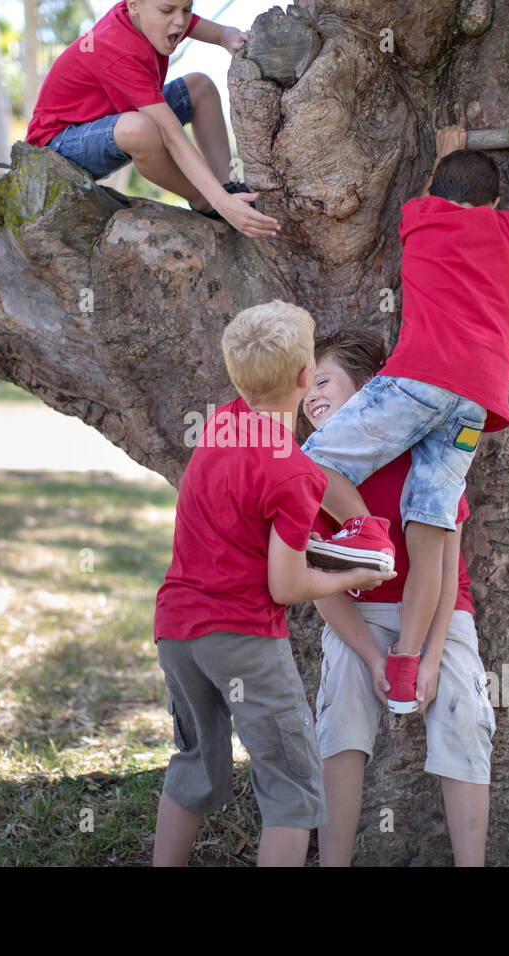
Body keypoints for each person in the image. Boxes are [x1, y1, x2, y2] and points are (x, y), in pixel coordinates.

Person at [301, 119, 509, 714]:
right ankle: (406, 664)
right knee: (430, 524)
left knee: (309, 463)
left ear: (436, 189)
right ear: (497, 201)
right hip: (475, 401)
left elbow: (439, 192)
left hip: (420, 380)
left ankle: (363, 534)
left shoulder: (419, 217)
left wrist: (445, 152)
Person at [152, 301, 394, 867]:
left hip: (176, 631)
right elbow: (285, 586)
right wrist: (359, 570)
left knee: (196, 762)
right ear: (306, 377)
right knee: (292, 789)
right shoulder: (292, 470)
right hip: (243, 638)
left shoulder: (223, 421)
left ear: (237, 378)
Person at [301, 329, 494, 866]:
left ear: (369, 390)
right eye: (304, 391)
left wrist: (426, 658)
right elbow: (317, 582)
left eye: (323, 381)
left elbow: (446, 567)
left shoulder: (424, 452)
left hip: (438, 615)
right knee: (339, 717)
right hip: (357, 615)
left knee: (465, 719)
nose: (310, 397)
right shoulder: (311, 471)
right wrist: (371, 655)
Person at [25, 0, 279, 239]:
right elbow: (172, 137)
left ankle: (231, 190)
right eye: (168, 10)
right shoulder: (117, 49)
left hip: (108, 121)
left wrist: (228, 36)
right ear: (134, 5)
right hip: (58, 144)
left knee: (199, 87)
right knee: (141, 129)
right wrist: (219, 202)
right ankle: (207, 201)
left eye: (186, 9)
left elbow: (214, 31)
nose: (179, 21)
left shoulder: (151, 15)